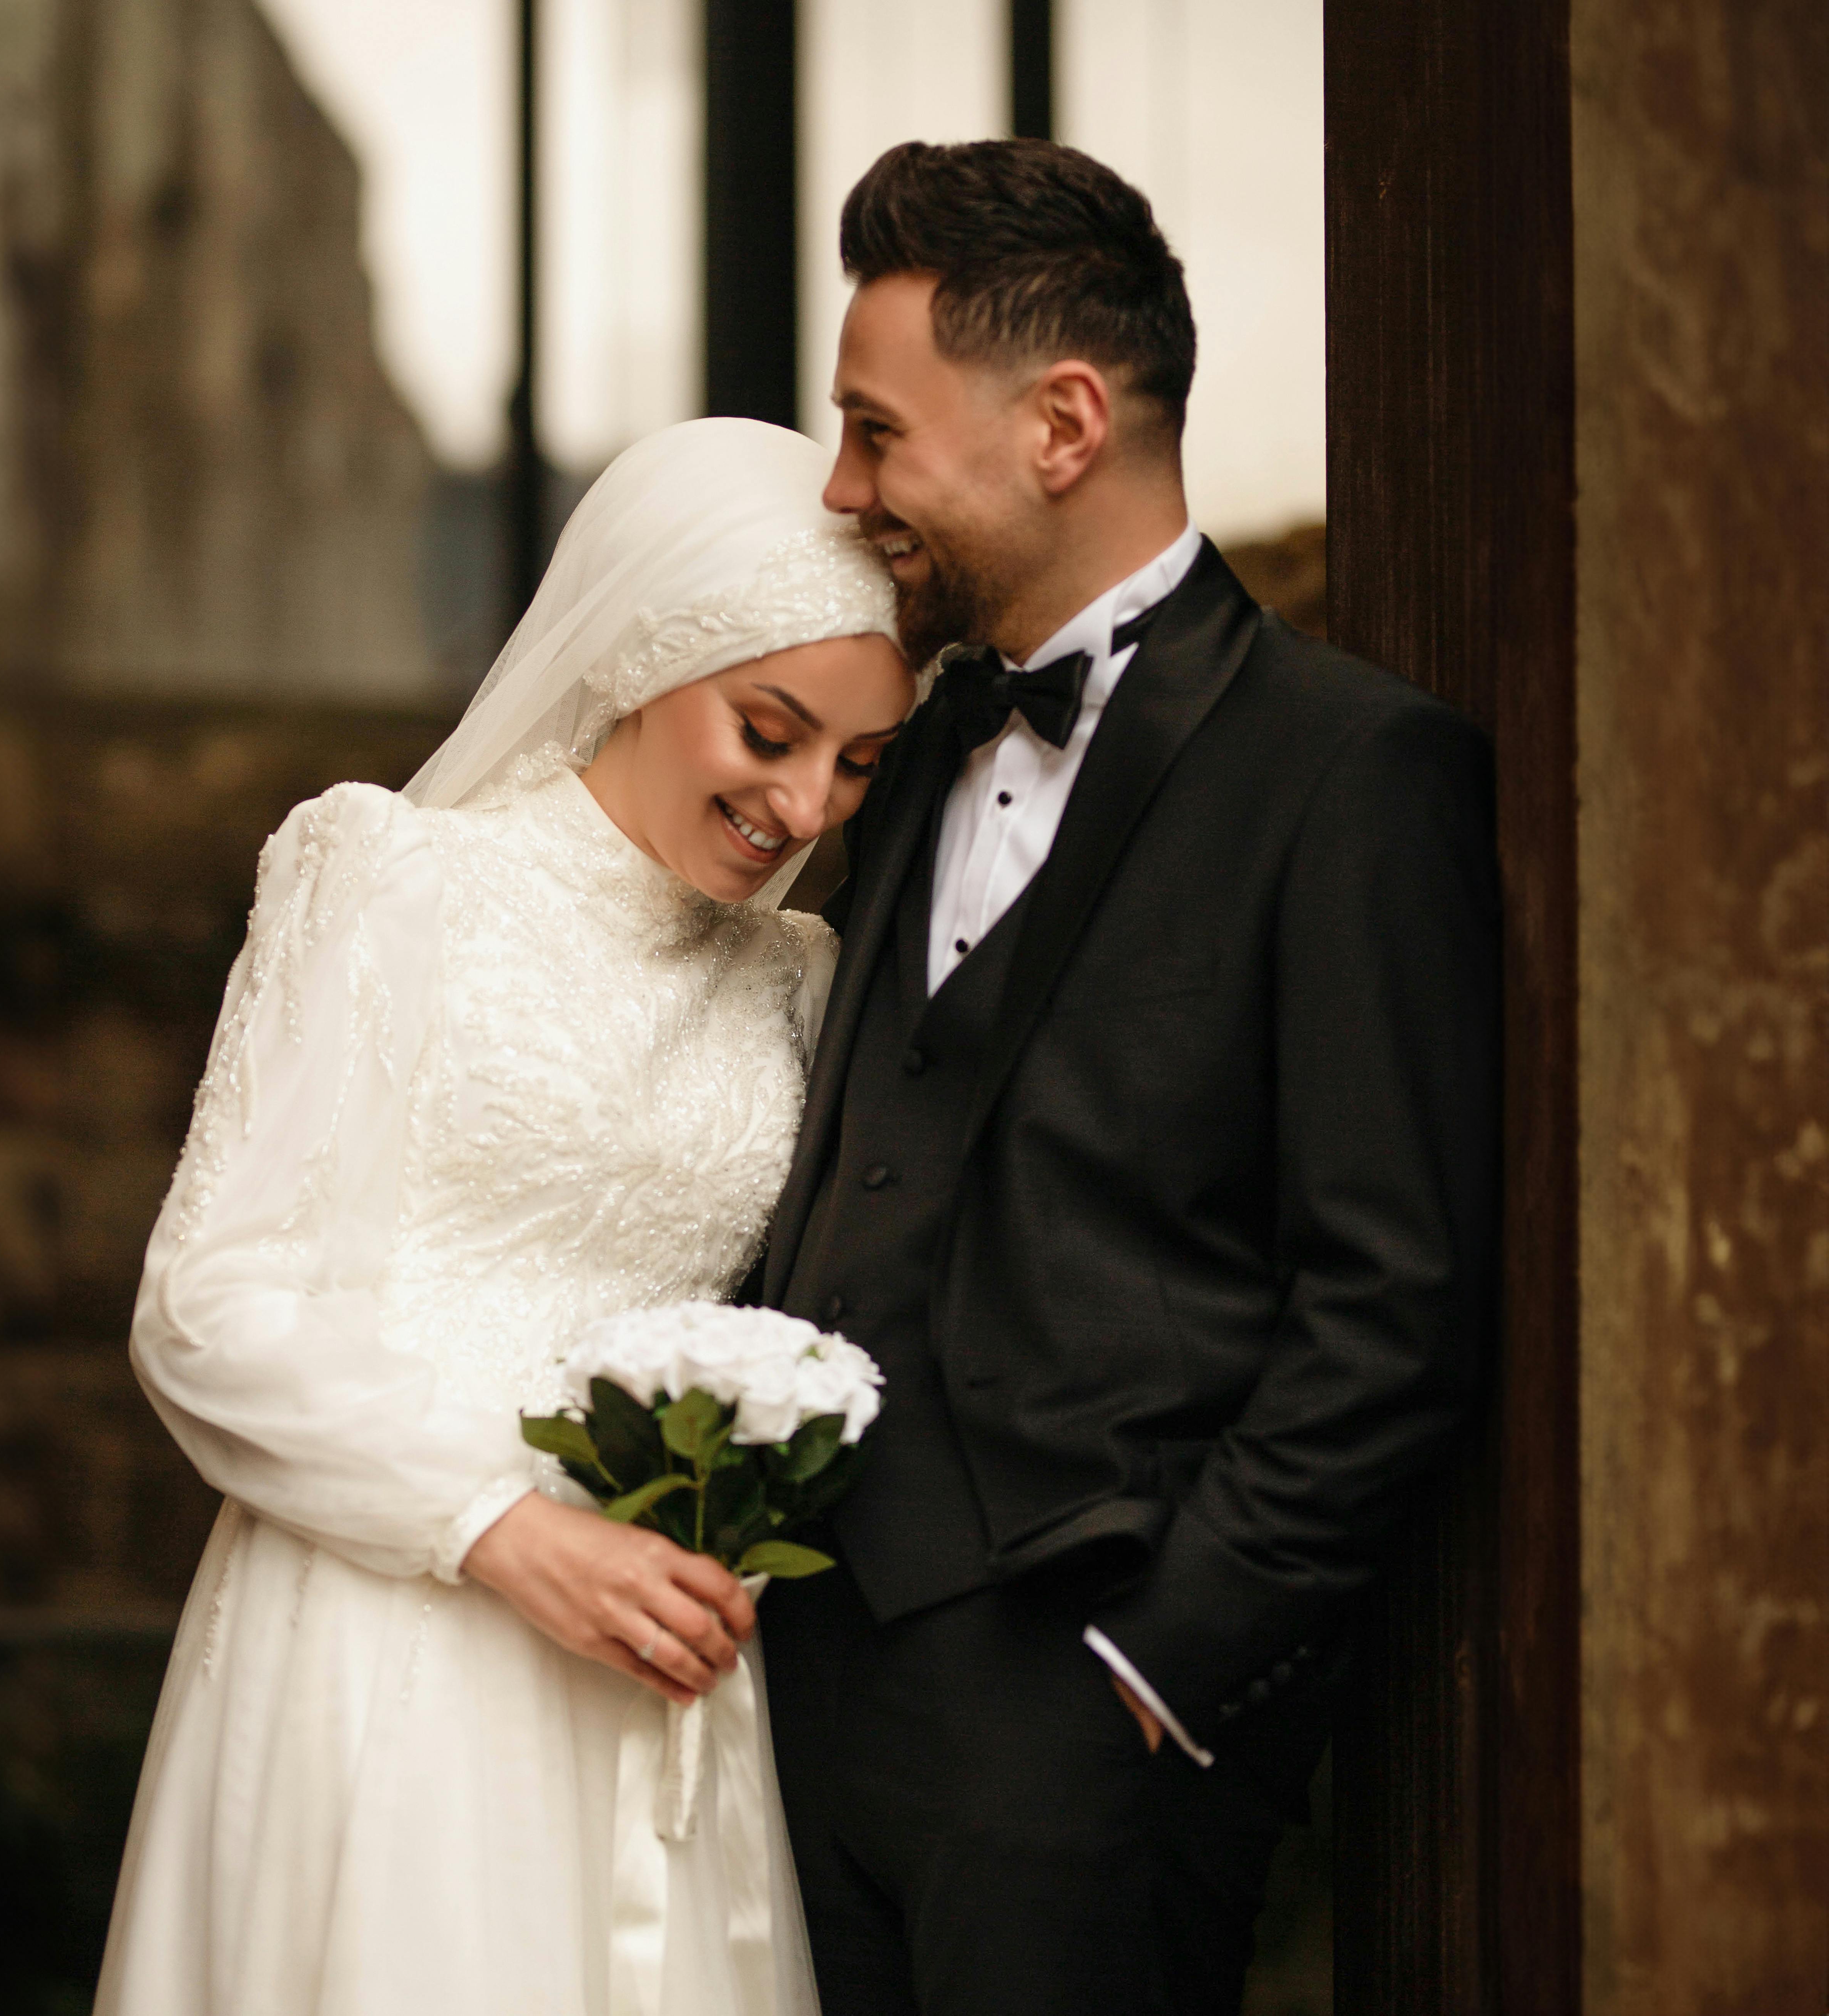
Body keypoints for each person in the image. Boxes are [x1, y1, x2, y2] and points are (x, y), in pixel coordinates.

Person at [758, 139, 1501, 2016]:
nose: (842, 493)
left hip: (1084, 1721)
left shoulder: (1350, 772)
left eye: (873, 433)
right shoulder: (909, 747)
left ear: (1065, 422)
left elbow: (1392, 1300)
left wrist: (1157, 1674)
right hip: (795, 1691)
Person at [94, 417, 913, 2016]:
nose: (806, 802)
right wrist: (503, 1528)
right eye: (769, 730)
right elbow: (207, 1304)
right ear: (644, 654)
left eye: (858, 762)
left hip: (662, 1660)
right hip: (391, 1621)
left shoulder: (798, 981)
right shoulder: (391, 877)